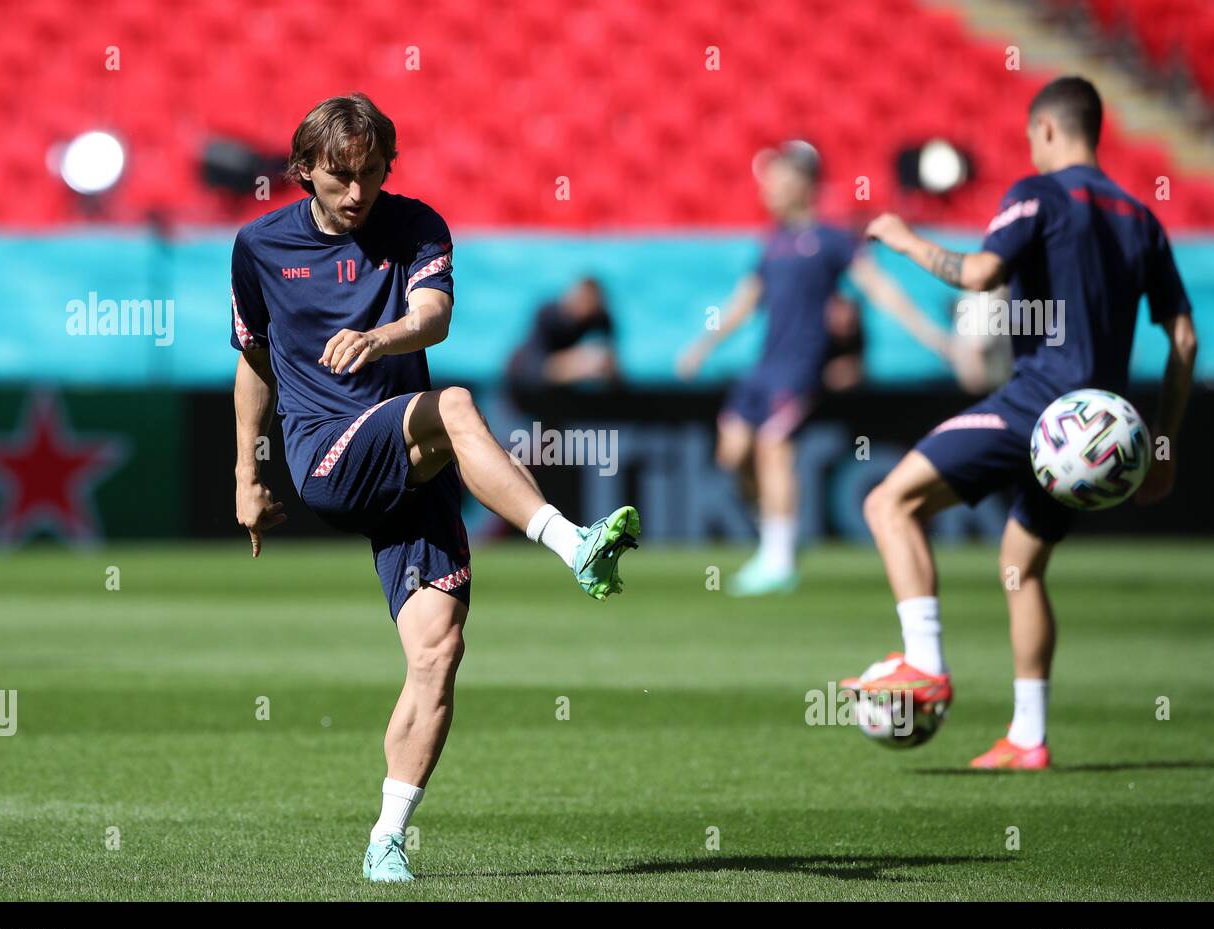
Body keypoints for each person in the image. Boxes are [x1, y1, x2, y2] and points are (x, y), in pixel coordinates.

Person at [230, 93, 640, 881]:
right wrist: (247, 475)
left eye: (372, 174)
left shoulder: (416, 225)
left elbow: (433, 317)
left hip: (407, 461)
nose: (357, 194)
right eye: (340, 177)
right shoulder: (258, 248)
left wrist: (382, 337)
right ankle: (573, 545)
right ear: (303, 169)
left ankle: (386, 839)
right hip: (327, 455)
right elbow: (252, 361)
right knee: (452, 405)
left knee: (438, 652)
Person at [840, 77, 1197, 769]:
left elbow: (979, 274)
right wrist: (1162, 443)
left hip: (1041, 408)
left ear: (1047, 130)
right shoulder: (1140, 216)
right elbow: (1183, 339)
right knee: (1020, 570)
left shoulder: (1036, 193)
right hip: (1105, 432)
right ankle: (1029, 738)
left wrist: (903, 238)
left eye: (1032, 136)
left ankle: (924, 664)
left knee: (889, 502)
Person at [677, 140, 953, 595]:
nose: (771, 190)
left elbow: (880, 290)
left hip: (799, 369)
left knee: (773, 447)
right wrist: (703, 345)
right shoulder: (774, 243)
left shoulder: (830, 240)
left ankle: (779, 558)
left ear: (805, 185)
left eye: (781, 180)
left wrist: (936, 339)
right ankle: (776, 538)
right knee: (732, 455)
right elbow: (747, 300)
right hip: (762, 368)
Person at [507, 277, 618, 385]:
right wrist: (577, 365)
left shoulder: (600, 320)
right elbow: (536, 369)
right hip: (521, 380)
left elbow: (611, 363)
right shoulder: (549, 316)